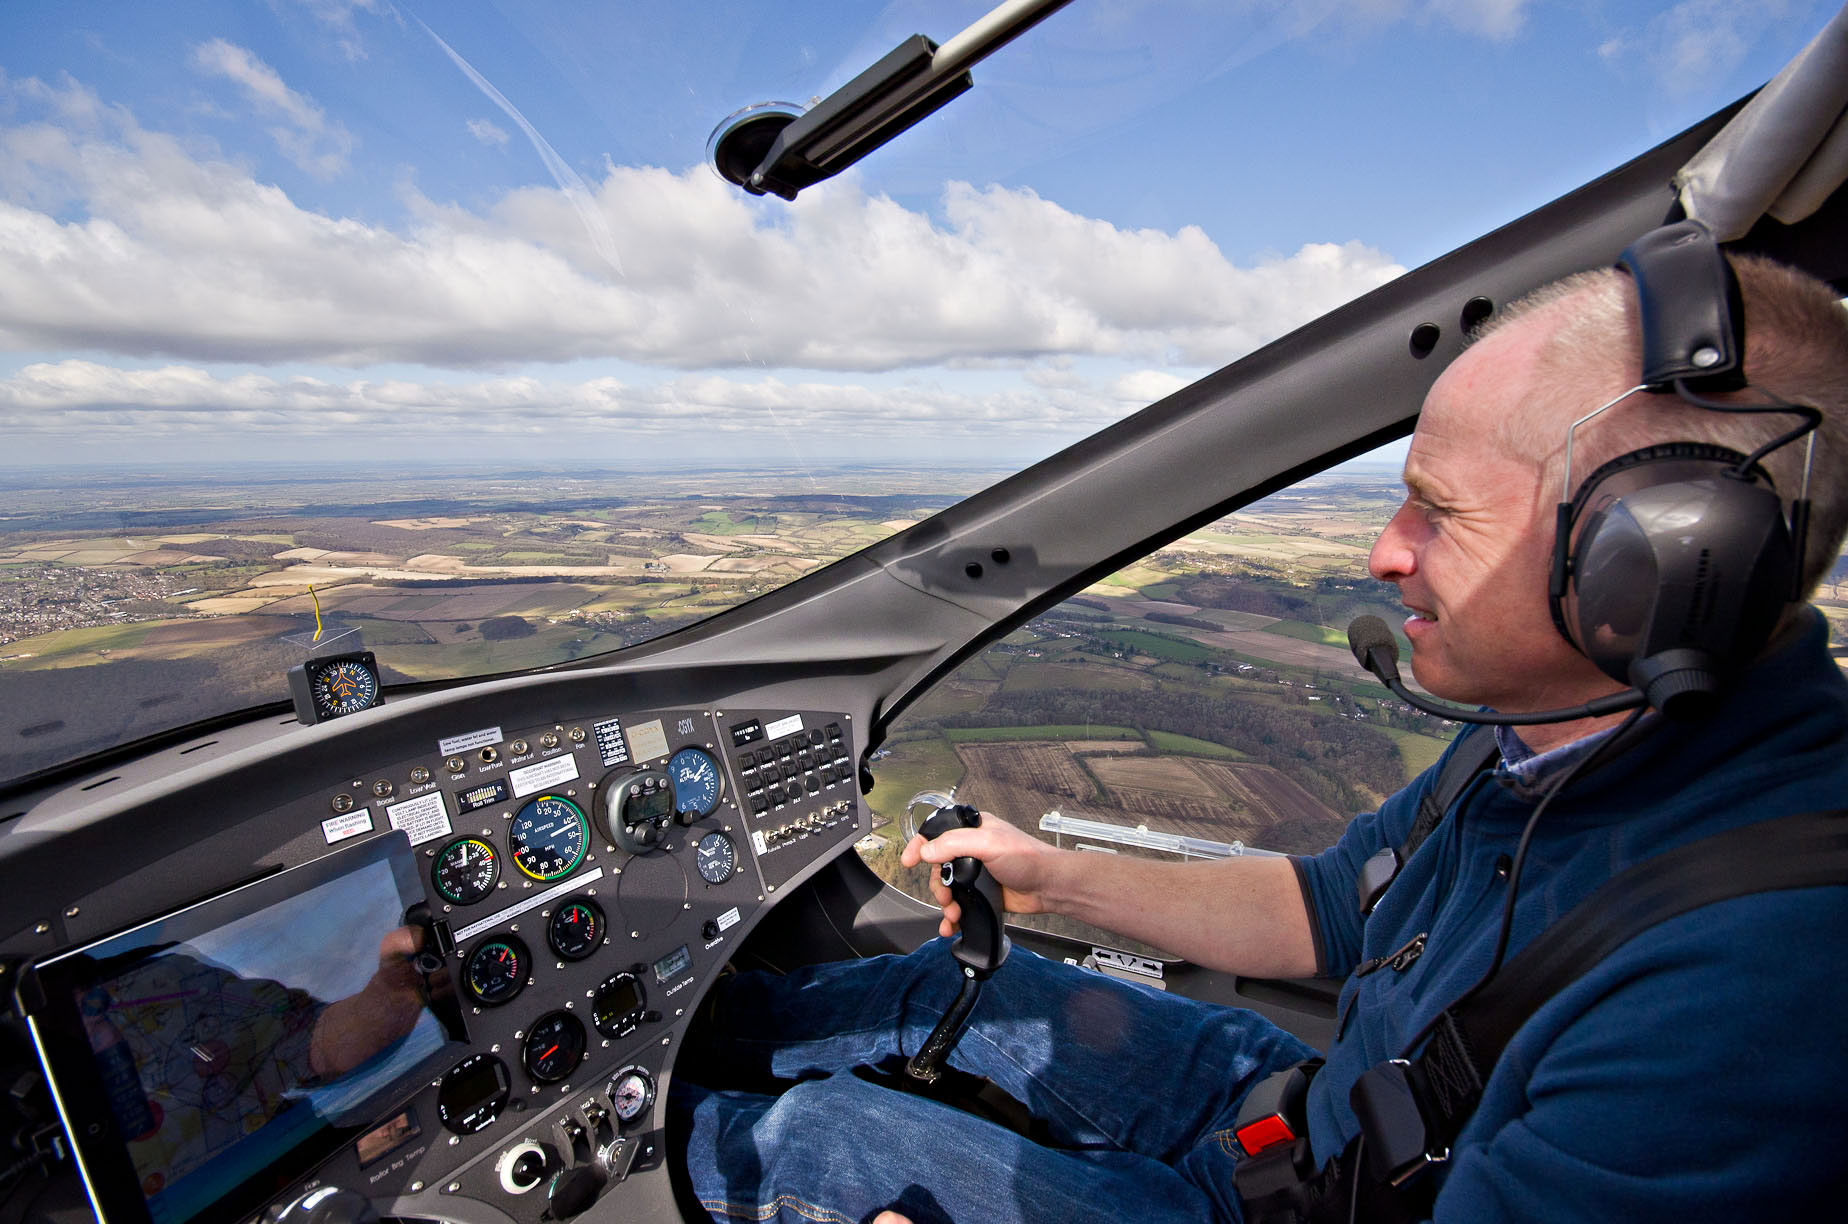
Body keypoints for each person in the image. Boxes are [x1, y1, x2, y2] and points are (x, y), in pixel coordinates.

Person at [671, 251, 1848, 1223]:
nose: (1385, 552)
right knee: (934, 985)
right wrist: (1053, 875)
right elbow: (1335, 907)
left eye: (1436, 510)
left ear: (1663, 561)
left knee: (825, 1146)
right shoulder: (1544, 746)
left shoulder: (1753, 985)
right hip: (1283, 1113)